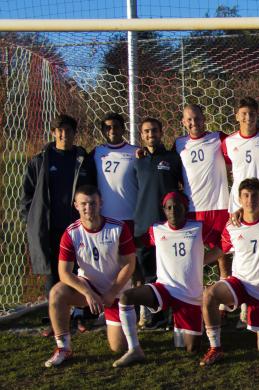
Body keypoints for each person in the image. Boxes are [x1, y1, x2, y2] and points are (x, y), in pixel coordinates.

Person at [112, 192, 221, 367]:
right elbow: (135, 243)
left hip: (189, 296)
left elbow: (221, 247)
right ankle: (134, 349)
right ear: (164, 210)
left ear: (185, 208)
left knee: (191, 349)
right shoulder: (156, 229)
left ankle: (187, 324)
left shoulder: (199, 227)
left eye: (177, 206)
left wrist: (199, 261)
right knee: (126, 297)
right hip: (164, 288)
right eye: (169, 207)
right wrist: (114, 240)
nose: (173, 210)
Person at [43, 185, 136, 367]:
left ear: (101, 203)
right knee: (57, 293)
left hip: (116, 291)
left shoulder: (118, 228)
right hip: (89, 287)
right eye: (83, 204)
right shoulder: (71, 233)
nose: (88, 208)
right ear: (75, 205)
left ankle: (119, 321)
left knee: (118, 347)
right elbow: (64, 272)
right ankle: (63, 348)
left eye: (93, 203)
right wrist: (87, 292)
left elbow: (129, 264)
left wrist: (111, 292)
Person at [22, 114, 96, 335]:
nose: (64, 135)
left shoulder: (83, 160)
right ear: (54, 133)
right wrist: (33, 221)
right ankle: (57, 321)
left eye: (68, 131)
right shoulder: (40, 160)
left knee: (80, 271)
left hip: (78, 229)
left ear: (75, 133)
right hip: (51, 229)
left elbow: (94, 190)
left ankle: (80, 316)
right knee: (53, 273)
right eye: (59, 131)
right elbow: (27, 197)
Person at [199, 178, 259, 366]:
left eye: (254, 196)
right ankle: (215, 348)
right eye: (245, 195)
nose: (249, 200)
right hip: (239, 284)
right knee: (209, 294)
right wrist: (196, 264)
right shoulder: (232, 226)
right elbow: (220, 250)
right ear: (239, 198)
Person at [132, 117, 183, 328]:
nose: (150, 134)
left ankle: (172, 314)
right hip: (143, 225)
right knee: (148, 273)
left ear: (161, 132)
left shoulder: (173, 158)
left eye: (154, 130)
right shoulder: (138, 161)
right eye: (146, 131)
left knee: (169, 271)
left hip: (167, 226)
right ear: (141, 135)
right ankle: (154, 314)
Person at [174, 104, 231, 278]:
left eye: (197, 118)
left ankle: (226, 289)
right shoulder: (179, 144)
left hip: (219, 205)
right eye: (189, 119)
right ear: (183, 122)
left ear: (204, 118)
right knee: (193, 252)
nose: (194, 122)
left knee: (224, 251)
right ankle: (194, 290)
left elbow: (235, 158)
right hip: (192, 208)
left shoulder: (218, 138)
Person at [222, 97, 259, 214]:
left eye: (252, 114)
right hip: (239, 207)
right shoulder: (228, 142)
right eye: (244, 114)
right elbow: (227, 170)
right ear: (237, 116)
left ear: (257, 116)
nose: (248, 118)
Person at [91, 112, 139, 234]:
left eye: (116, 127)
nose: (112, 130)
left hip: (130, 218)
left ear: (123, 129)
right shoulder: (96, 152)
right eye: (108, 128)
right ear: (102, 131)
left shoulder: (135, 152)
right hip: (104, 219)